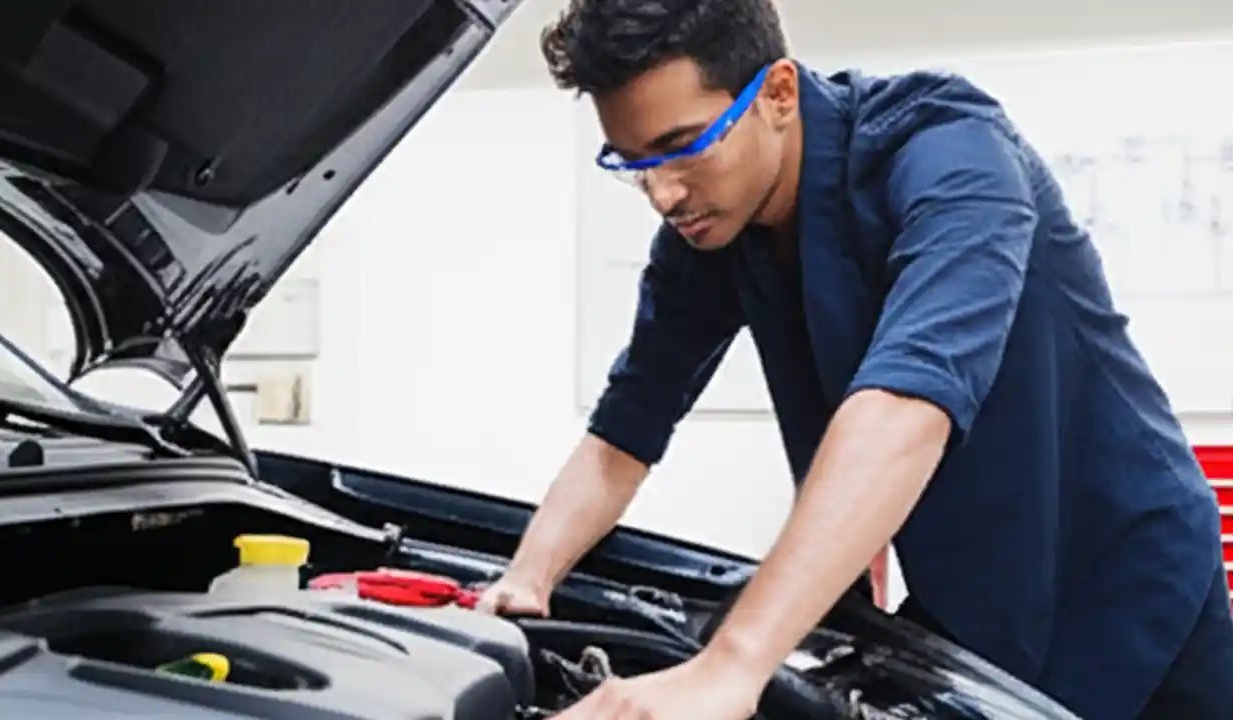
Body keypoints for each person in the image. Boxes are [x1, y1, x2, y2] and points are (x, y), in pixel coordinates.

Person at [474, 1, 1233, 718]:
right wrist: (524, 582)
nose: (662, 194)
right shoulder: (709, 235)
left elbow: (905, 407)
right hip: (968, 606)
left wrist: (733, 665)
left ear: (776, 94)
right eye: (632, 161)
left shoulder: (948, 152)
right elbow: (624, 432)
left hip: (1131, 586)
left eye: (683, 146)